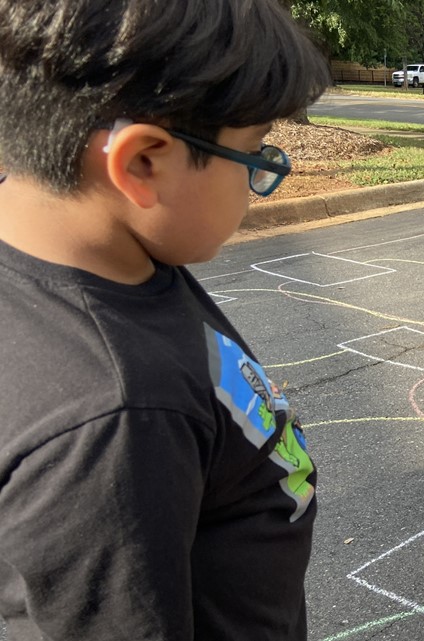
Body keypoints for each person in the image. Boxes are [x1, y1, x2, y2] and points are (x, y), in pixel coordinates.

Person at [0, 1, 330, 638]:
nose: (262, 179)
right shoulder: (117, 422)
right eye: (257, 157)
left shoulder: (109, 249)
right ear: (143, 164)